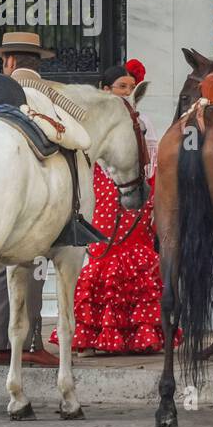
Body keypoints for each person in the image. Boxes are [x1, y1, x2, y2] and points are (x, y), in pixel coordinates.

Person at [52, 61, 176, 354]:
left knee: (135, 254)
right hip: (102, 189)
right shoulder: (91, 120)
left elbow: (151, 161)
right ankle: (98, 334)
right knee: (103, 253)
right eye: (121, 87)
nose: (127, 92)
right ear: (105, 90)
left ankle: (139, 333)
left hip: (133, 189)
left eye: (131, 88)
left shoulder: (142, 120)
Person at [0, 31, 55, 367]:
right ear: (36, 61)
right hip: (35, 196)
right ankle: (28, 345)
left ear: (8, 61)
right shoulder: (47, 96)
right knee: (33, 263)